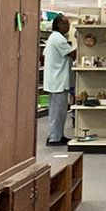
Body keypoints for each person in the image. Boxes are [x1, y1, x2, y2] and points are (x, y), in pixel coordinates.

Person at [43, 14, 76, 146]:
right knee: (58, 111)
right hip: (58, 81)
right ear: (58, 25)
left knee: (58, 111)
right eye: (65, 23)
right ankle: (55, 138)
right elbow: (72, 54)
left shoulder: (54, 38)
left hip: (55, 80)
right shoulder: (58, 39)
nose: (67, 26)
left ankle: (57, 135)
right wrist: (84, 43)